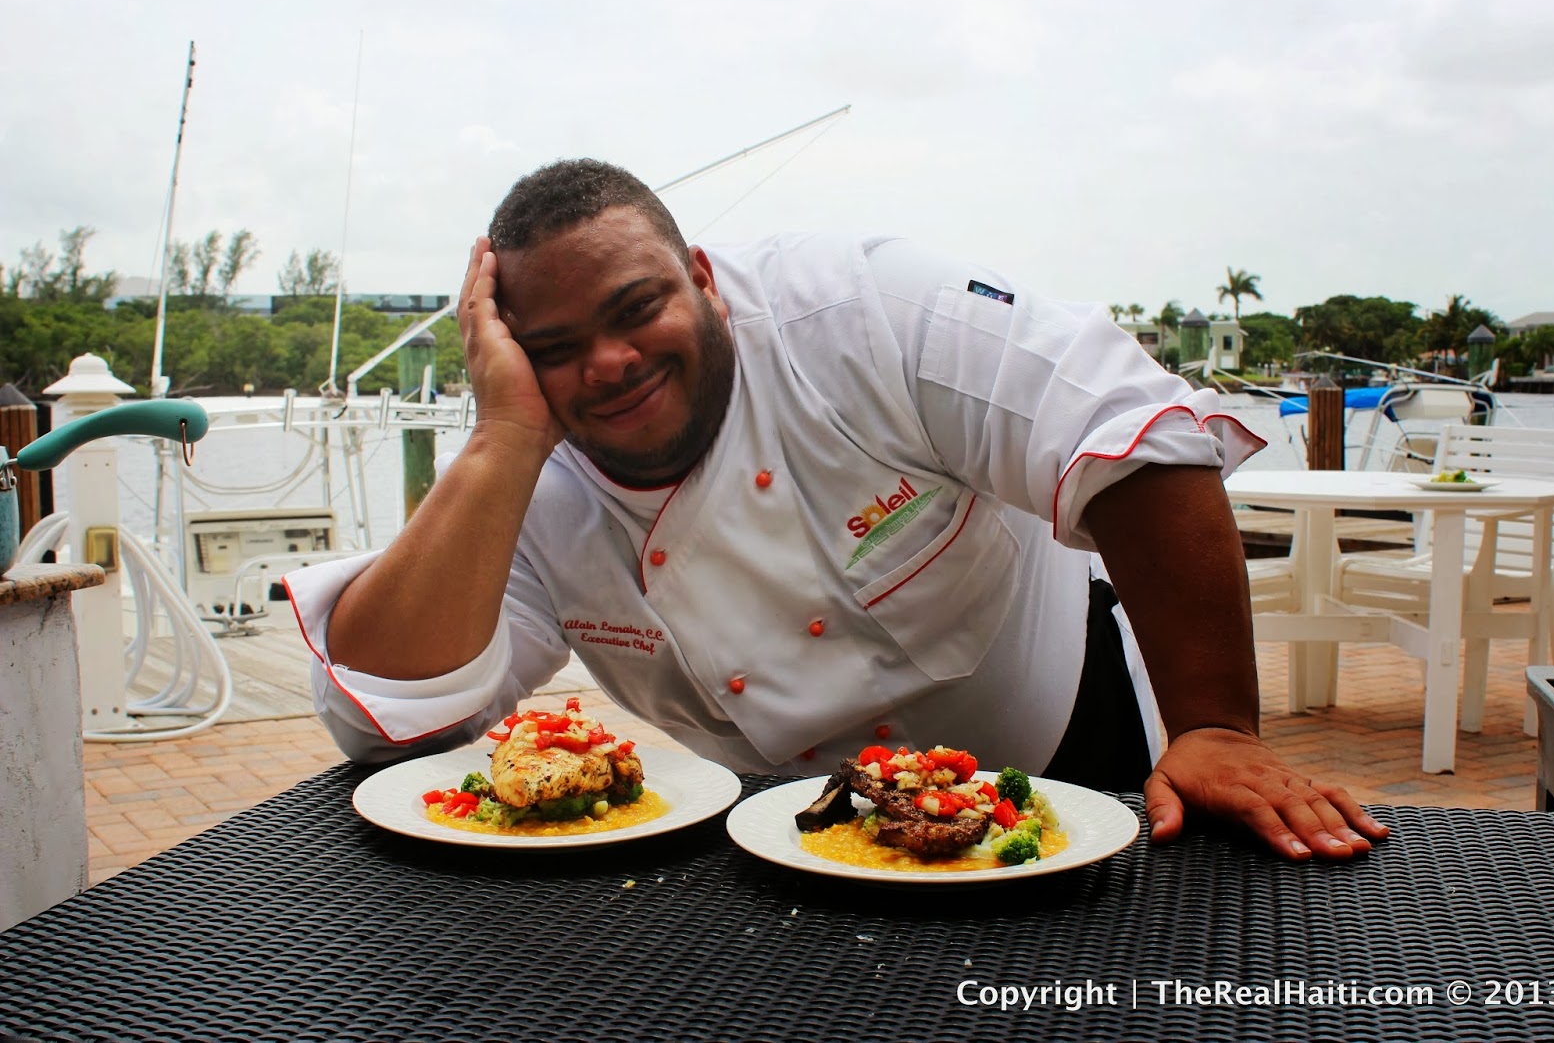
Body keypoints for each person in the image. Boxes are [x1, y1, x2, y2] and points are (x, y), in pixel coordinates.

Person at [285, 158, 1389, 862]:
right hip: (775, 828)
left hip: (1067, 748)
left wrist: (1213, 727)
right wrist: (504, 438)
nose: (609, 364)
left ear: (706, 277)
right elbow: (392, 710)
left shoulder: (863, 311)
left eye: (637, 308)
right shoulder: (528, 465)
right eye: (556, 349)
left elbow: (1136, 441)